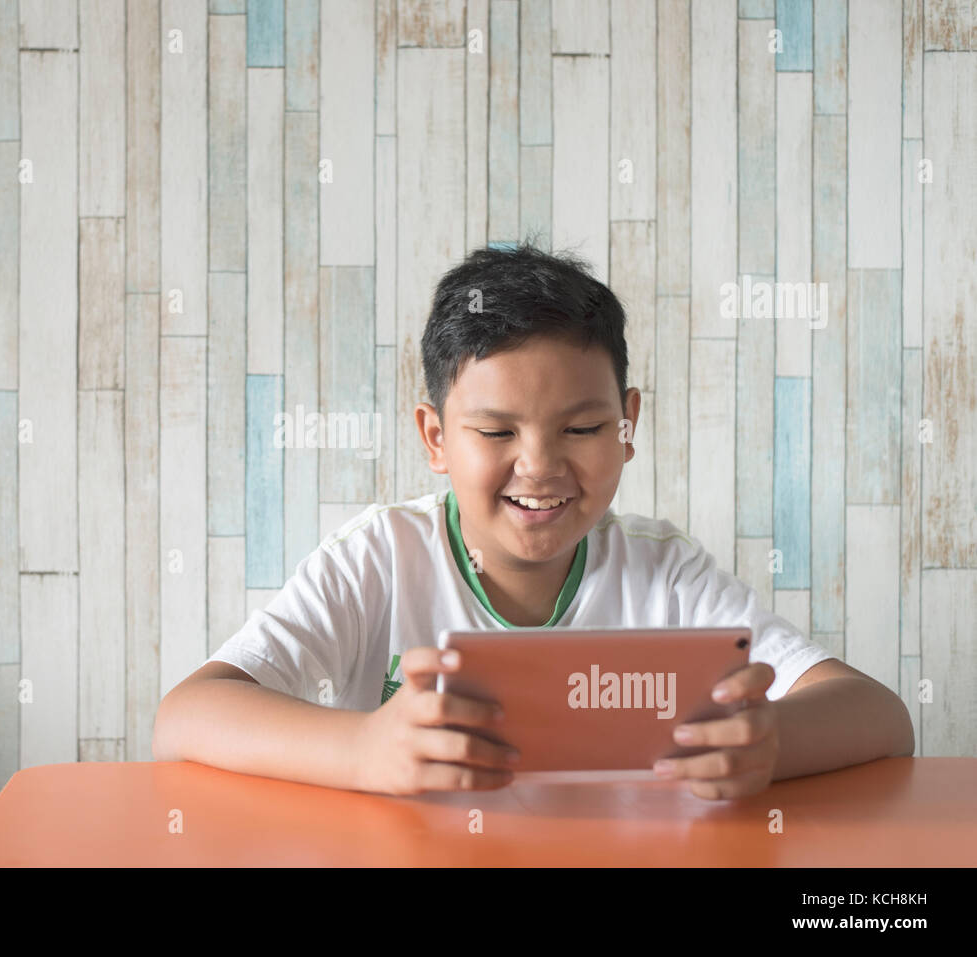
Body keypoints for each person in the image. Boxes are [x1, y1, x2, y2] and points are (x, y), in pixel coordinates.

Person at [152, 241, 916, 800]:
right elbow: (185, 716)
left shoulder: (664, 571)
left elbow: (881, 717)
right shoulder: (377, 559)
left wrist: (771, 742)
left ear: (627, 424)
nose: (542, 466)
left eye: (582, 429)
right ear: (434, 439)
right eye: (496, 433)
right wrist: (362, 748)